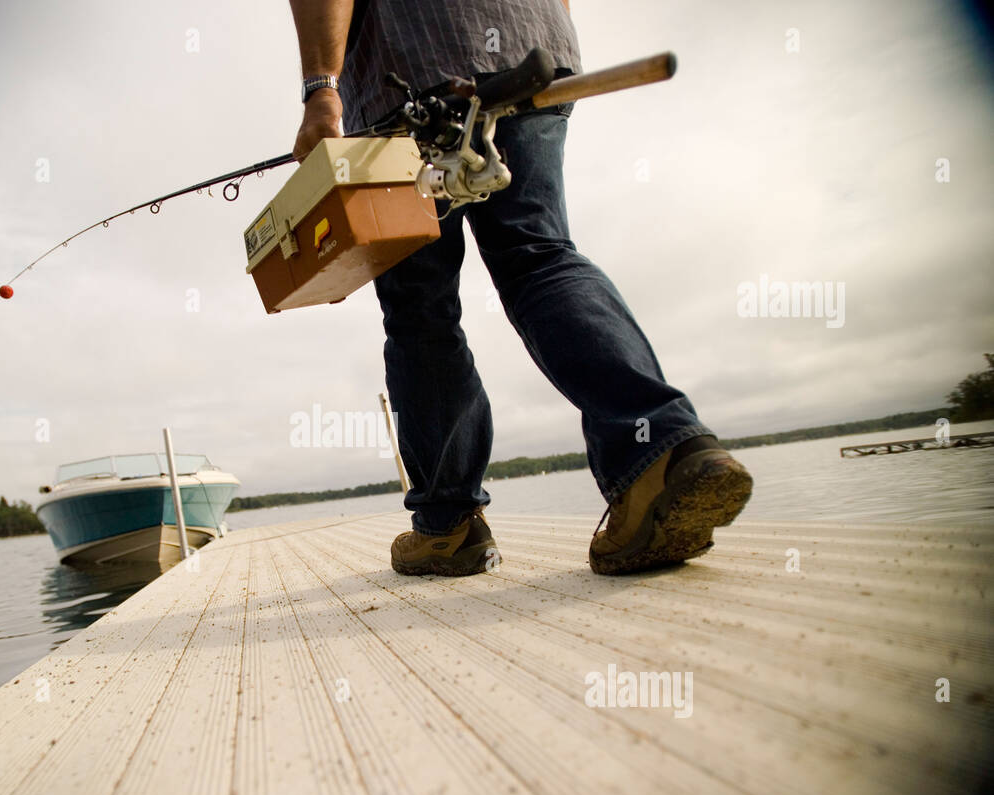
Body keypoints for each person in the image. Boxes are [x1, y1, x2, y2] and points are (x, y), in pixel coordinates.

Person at [288, 0, 753, 576]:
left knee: (420, 313)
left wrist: (320, 90)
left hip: (409, 74)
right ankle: (663, 451)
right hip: (532, 47)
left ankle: (446, 526)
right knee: (539, 254)